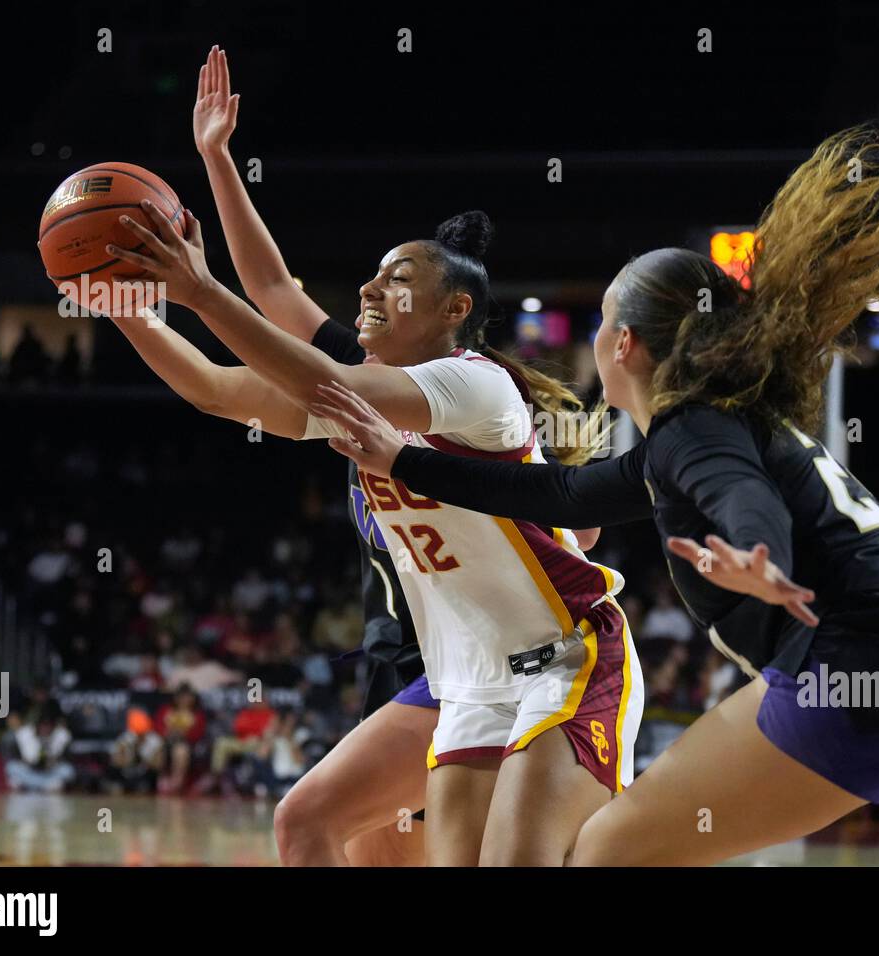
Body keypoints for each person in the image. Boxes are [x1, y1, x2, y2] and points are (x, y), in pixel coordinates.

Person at [315, 127, 879, 866]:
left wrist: (760, 557)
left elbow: (738, 497)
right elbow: (560, 493)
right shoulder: (711, 430)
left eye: (600, 321)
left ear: (624, 344)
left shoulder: (690, 429)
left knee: (607, 853)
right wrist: (403, 459)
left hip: (871, 665)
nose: (594, 340)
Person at [98, 47, 640, 867]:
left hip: (566, 653)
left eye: (397, 280)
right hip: (464, 675)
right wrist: (129, 301)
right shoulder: (358, 400)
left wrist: (200, 289)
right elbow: (222, 378)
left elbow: (294, 349)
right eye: (373, 276)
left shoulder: (474, 385)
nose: (368, 290)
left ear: (454, 310)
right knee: (324, 829)